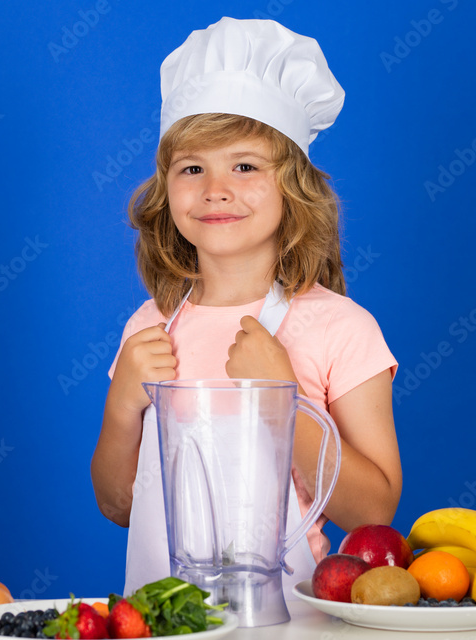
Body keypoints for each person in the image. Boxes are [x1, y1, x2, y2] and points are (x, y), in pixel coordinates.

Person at [91, 17, 401, 596]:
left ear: (294, 188)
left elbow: (373, 511)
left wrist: (285, 400)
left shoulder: (341, 329)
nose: (215, 188)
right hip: (161, 632)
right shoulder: (149, 327)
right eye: (191, 168)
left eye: (245, 165)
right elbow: (118, 506)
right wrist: (120, 407)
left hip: (291, 631)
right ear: (167, 190)